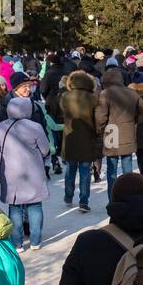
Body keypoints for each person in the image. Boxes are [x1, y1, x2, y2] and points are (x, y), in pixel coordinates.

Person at [0, 95, 50, 251]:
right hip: (33, 172)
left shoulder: (1, 127)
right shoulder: (35, 127)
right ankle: (35, 241)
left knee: (15, 208)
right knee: (34, 205)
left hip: (10, 173)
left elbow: (0, 146)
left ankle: (17, 243)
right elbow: (45, 150)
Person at [96, 67, 143, 194]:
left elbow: (101, 116)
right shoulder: (132, 93)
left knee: (112, 168)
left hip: (111, 132)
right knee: (127, 167)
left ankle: (112, 198)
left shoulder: (105, 94)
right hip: (128, 131)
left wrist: (100, 129)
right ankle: (129, 196)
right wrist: (135, 120)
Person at [60, 70, 99, 212]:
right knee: (85, 172)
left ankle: (68, 196)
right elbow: (97, 119)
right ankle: (83, 201)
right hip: (88, 139)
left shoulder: (65, 96)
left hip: (70, 137)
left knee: (70, 170)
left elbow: (61, 112)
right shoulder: (93, 98)